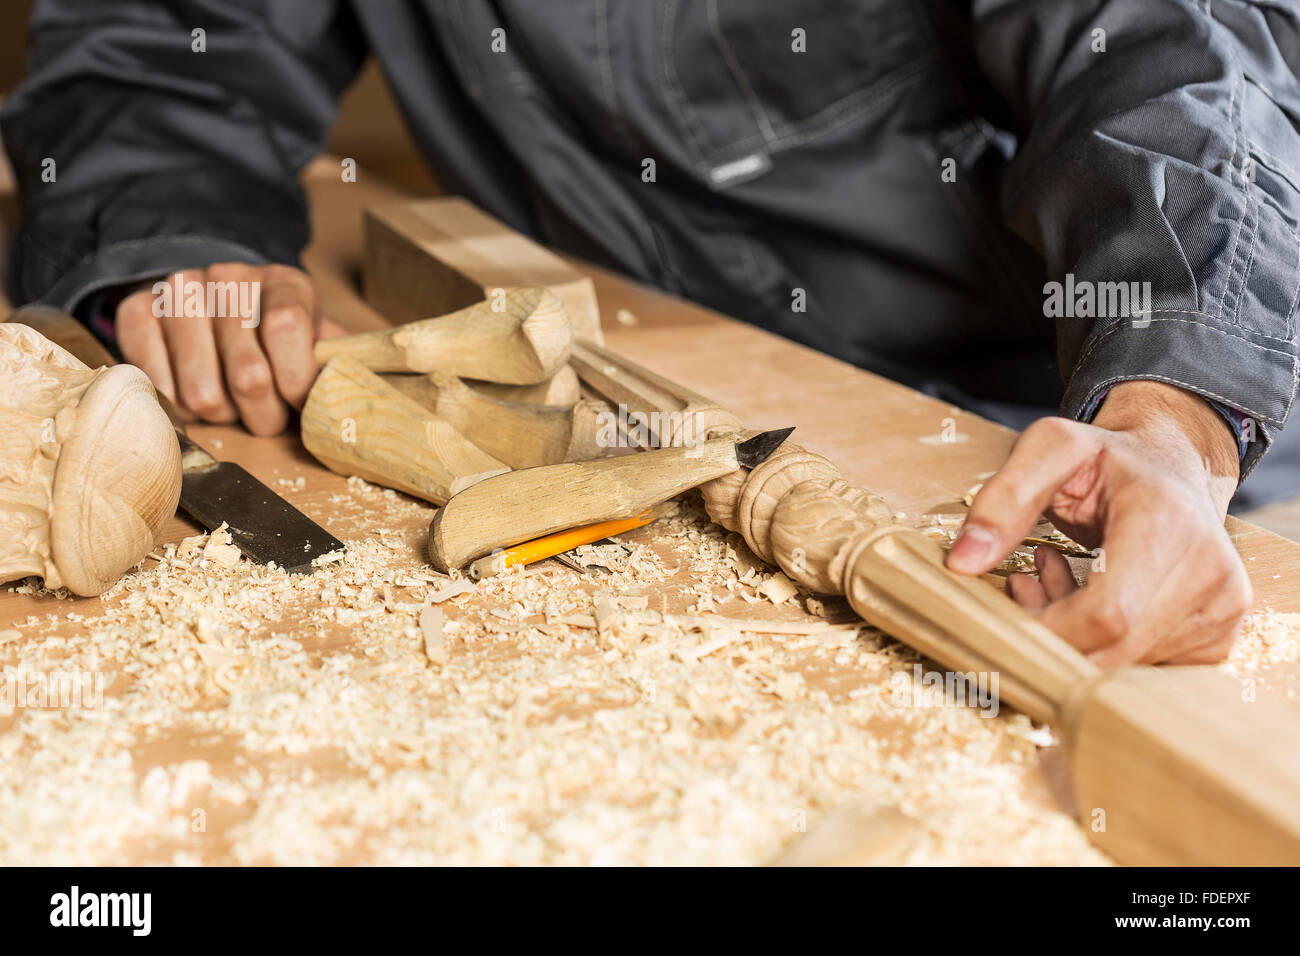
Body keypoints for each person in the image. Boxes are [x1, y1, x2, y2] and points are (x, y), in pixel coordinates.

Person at [4, 1, 1298, 666]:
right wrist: (164, 231)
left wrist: (1179, 411)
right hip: (670, 387)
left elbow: (1177, 42)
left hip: (1092, 440)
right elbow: (166, 46)